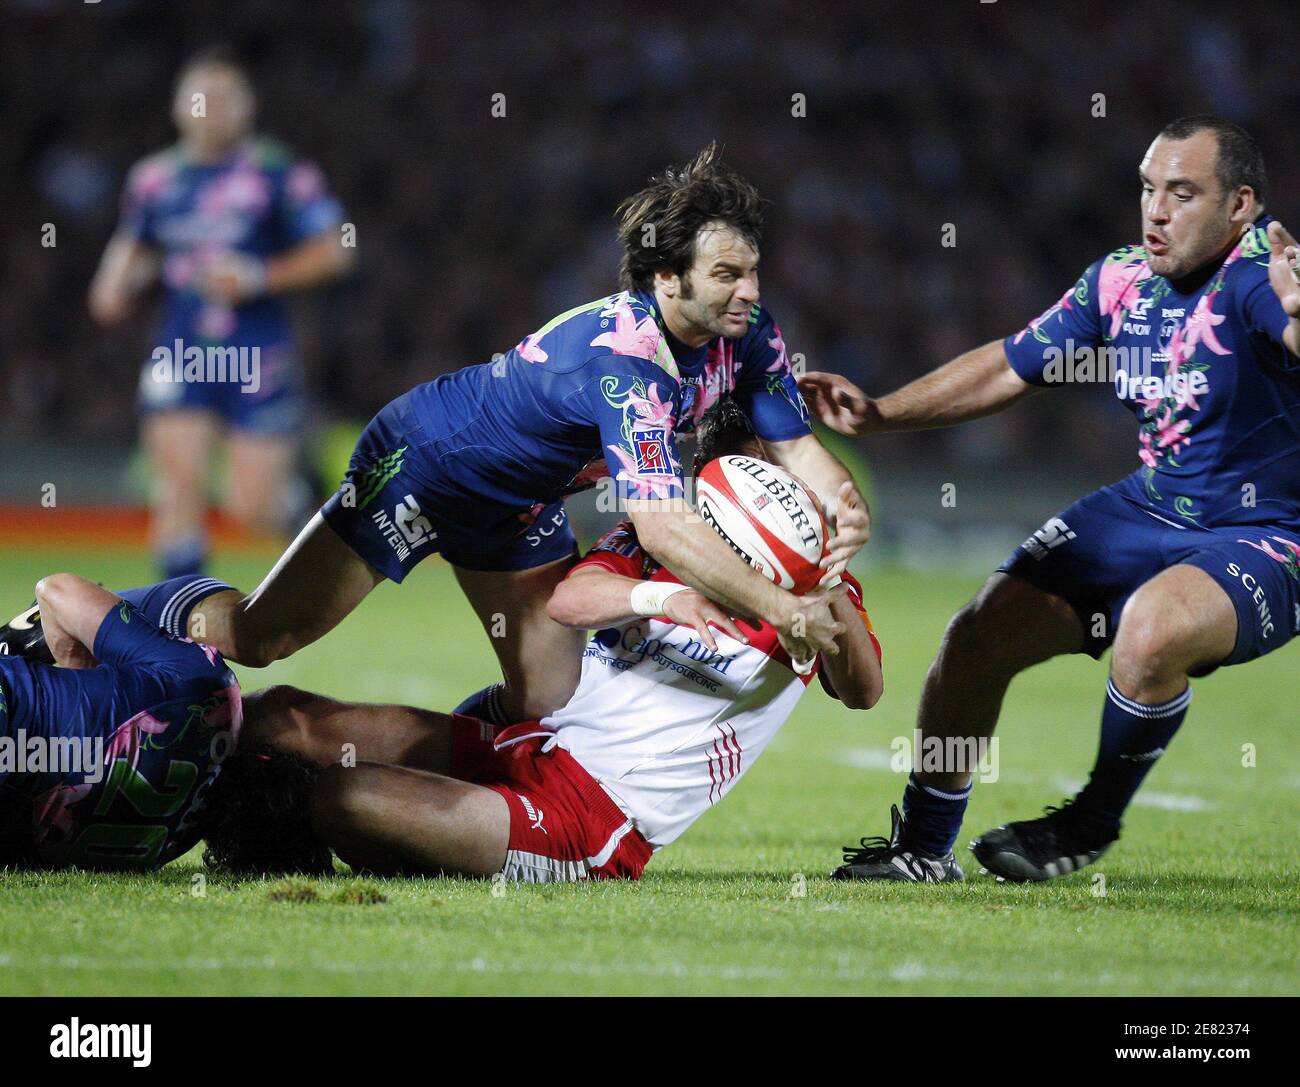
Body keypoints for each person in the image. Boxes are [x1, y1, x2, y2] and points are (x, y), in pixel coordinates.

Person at [186, 144, 870, 729]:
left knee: (546, 697)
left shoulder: (748, 336)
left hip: (517, 504)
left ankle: (424, 775)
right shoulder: (626, 363)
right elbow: (661, 526)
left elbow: (796, 447)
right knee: (264, 636)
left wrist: (842, 506)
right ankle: (134, 625)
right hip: (427, 463)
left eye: (752, 272)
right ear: (667, 277)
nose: (749, 291)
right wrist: (780, 606)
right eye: (726, 275)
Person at [798, 115, 1300, 882]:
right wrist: (883, 412)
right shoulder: (1121, 280)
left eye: (1183, 192)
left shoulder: (1261, 276)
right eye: (1148, 189)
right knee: (978, 632)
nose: (1157, 211)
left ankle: (1085, 824)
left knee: (1152, 630)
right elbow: (1009, 366)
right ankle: (922, 848)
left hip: (1269, 532)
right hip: (1150, 507)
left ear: (1241, 205)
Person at [238, 400, 883, 881]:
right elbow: (571, 601)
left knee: (349, 795)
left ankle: (281, 832)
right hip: (526, 741)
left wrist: (822, 600)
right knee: (278, 718)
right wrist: (668, 598)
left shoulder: (819, 596)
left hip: (589, 817)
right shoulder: (657, 539)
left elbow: (864, 690)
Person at [88, 47, 353, 579]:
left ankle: (299, 505)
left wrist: (260, 275)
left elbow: (337, 248)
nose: (214, 108)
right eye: (202, 98)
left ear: (248, 106)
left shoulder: (277, 171)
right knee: (178, 486)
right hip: (181, 346)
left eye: (227, 97)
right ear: (179, 107)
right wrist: (117, 281)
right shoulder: (154, 180)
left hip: (257, 350)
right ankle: (180, 634)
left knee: (250, 508)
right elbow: (135, 248)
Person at [0, 573, 330, 874]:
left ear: (268, 757)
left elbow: (57, 589)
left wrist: (80, 675)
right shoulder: (157, 852)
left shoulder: (208, 687)